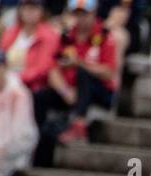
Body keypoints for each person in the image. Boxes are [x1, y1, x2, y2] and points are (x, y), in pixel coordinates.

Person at [46, 0, 121, 146]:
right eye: (76, 13)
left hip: (101, 92)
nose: (80, 18)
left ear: (93, 13)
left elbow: (109, 72)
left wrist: (79, 62)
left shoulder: (105, 35)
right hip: (71, 91)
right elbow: (53, 68)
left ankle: (79, 124)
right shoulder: (67, 36)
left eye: (84, 14)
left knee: (83, 73)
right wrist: (65, 92)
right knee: (41, 97)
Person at [0, 0, 60, 97]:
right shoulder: (10, 32)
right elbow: (0, 57)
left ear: (41, 11)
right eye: (26, 7)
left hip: (32, 88)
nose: (29, 11)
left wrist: (16, 78)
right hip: (6, 81)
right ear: (20, 10)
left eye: (34, 8)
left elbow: (43, 69)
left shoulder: (50, 35)